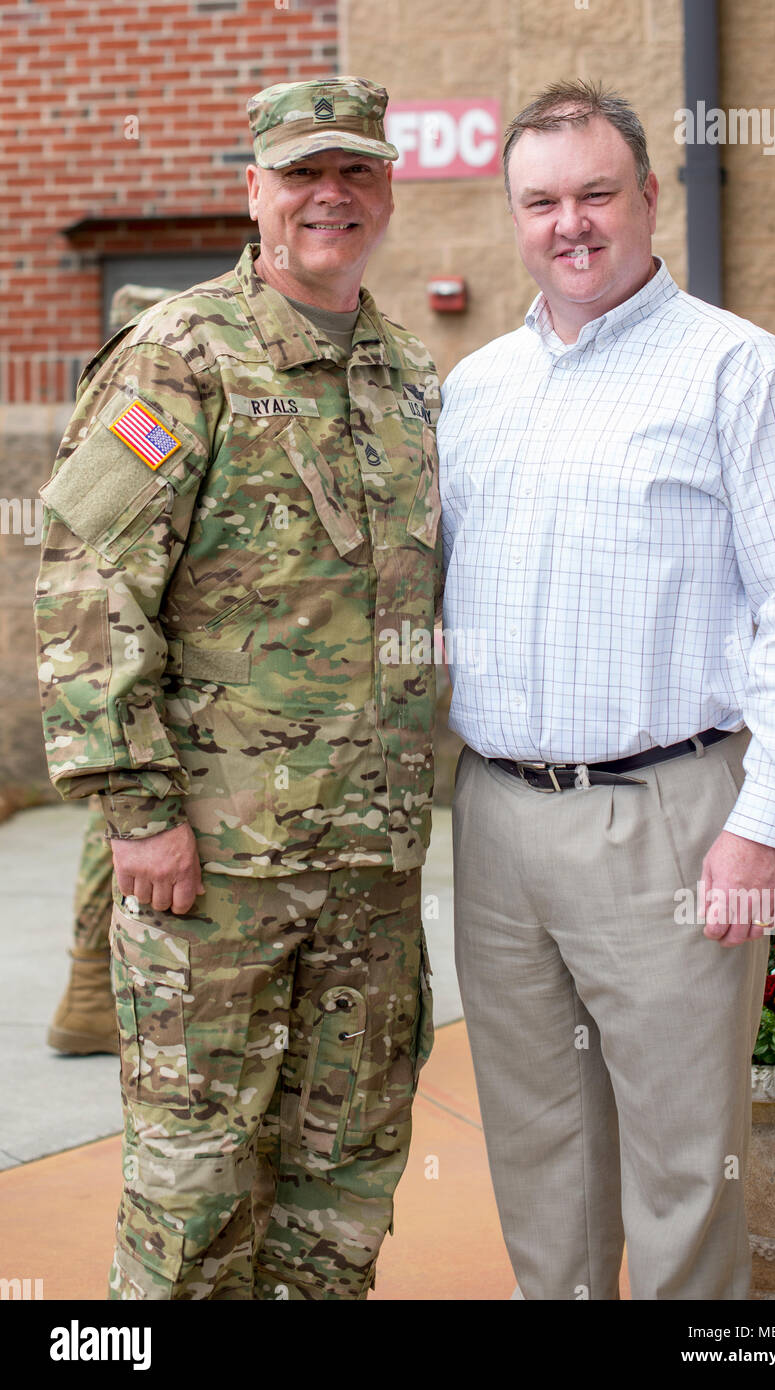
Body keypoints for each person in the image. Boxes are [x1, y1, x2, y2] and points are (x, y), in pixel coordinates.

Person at [438, 79, 775, 1301]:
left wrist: (764, 825)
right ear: (513, 215)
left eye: (593, 193)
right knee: (536, 1150)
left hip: (668, 821)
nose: (568, 223)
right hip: (498, 818)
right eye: (540, 200)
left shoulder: (738, 372)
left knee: (683, 1164)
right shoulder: (474, 391)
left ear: (647, 197)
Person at [34, 75, 441, 1300]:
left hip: (370, 875)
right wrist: (138, 807)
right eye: (303, 172)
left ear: (385, 191)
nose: (330, 194)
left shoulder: (408, 373)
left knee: (343, 1186)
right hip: (215, 874)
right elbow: (86, 587)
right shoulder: (178, 356)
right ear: (253, 189)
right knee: (194, 1189)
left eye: (354, 170)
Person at [47, 288, 174, 1059]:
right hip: (138, 667)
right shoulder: (149, 397)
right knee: (120, 817)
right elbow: (87, 550)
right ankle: (90, 985)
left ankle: (89, 989)